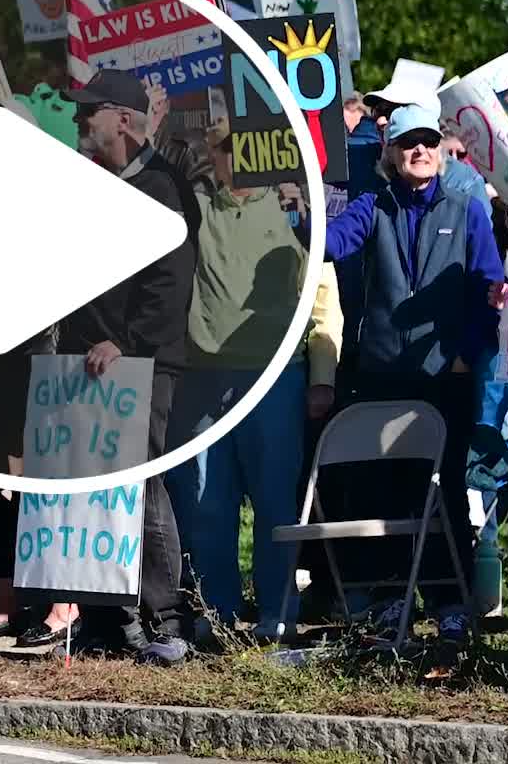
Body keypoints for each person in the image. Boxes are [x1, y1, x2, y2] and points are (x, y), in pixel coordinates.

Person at [322, 103, 503, 651]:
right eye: (408, 142)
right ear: (390, 153)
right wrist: (296, 211)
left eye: (427, 140)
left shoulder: (468, 209)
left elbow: (488, 287)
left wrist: (465, 356)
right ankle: (391, 600)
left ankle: (451, 605)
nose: (419, 150)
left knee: (445, 494)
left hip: (444, 378)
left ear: (442, 150)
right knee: (386, 491)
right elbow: (331, 244)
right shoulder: (372, 204)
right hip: (382, 378)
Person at [174, 115, 342, 645]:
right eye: (224, 146)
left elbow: (324, 299)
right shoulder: (195, 209)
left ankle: (277, 609)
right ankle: (217, 613)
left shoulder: (296, 212)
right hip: (204, 379)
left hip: (277, 379)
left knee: (274, 503)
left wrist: (322, 376)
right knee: (207, 504)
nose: (236, 154)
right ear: (212, 154)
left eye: (245, 144)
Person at [55, 69, 200, 666]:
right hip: (88, 363)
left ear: (121, 118)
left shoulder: (162, 186)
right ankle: (106, 619)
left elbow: (170, 283)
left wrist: (125, 342)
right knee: (92, 489)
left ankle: (167, 619)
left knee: (141, 486)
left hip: (144, 364)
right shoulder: (92, 184)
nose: (78, 120)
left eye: (88, 110)